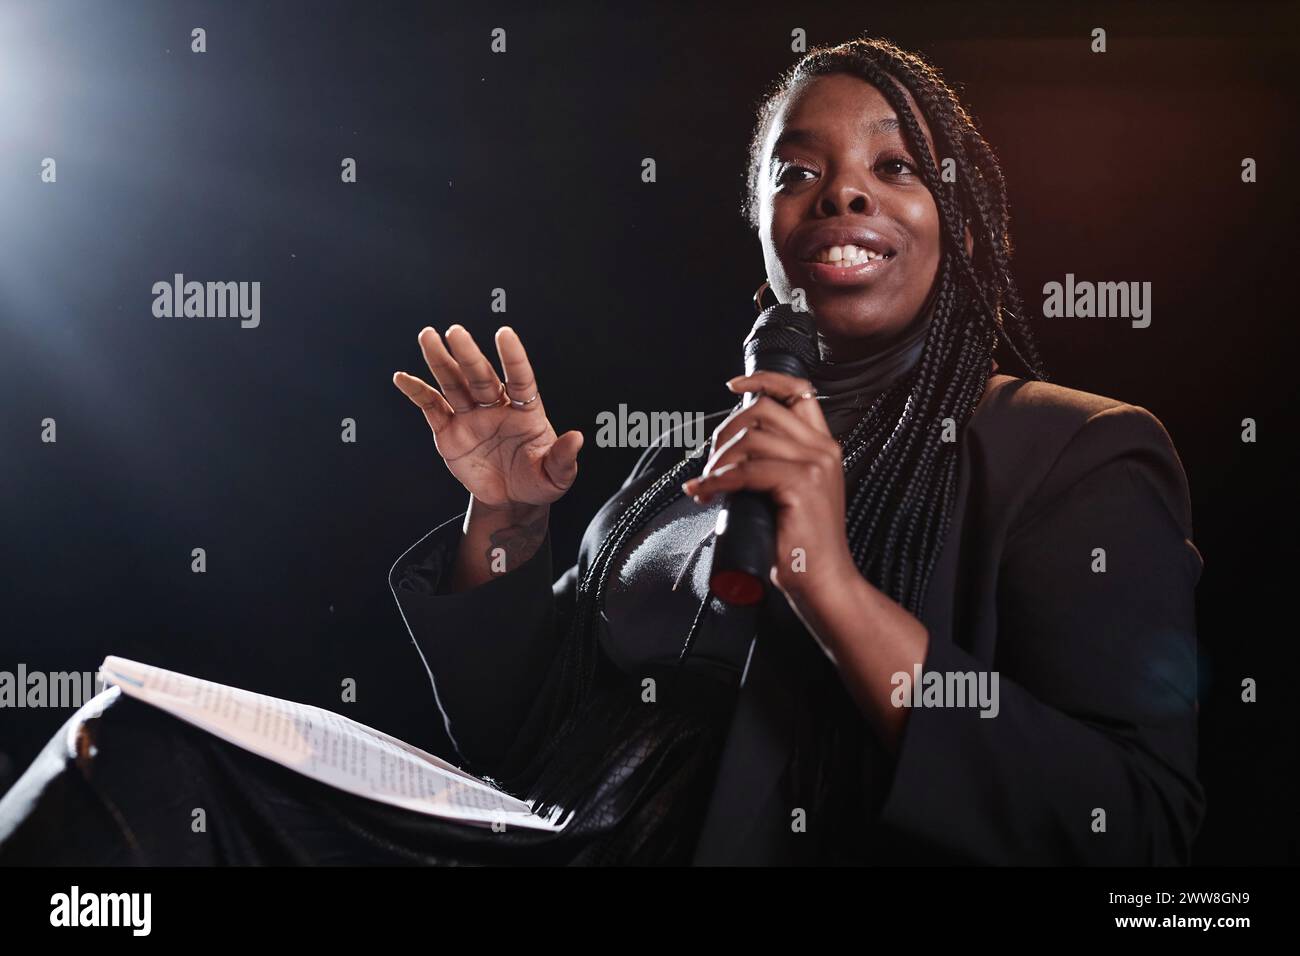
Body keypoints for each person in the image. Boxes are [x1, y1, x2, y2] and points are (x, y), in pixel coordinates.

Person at [0, 36, 1204, 866]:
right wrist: (506, 528)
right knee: (130, 755)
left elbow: (1134, 826)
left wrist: (830, 585)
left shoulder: (1069, 451)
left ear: (964, 214)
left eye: (894, 166)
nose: (843, 195)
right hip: (542, 836)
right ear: (764, 226)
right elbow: (518, 736)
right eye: (800, 172)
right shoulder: (689, 455)